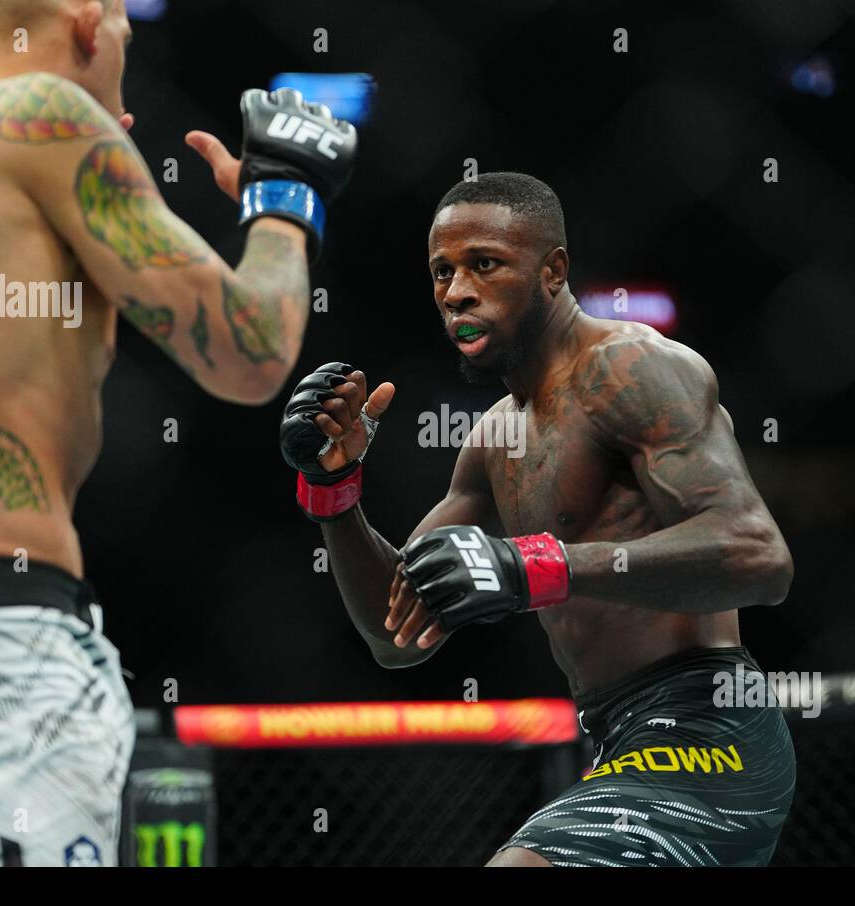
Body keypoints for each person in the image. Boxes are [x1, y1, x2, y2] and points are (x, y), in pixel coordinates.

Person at [0, 0, 356, 865]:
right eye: (125, 41)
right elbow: (251, 351)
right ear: (85, 19)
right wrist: (287, 201)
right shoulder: (49, 118)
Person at [279, 172, 796, 866]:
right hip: (617, 737)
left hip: (708, 732)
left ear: (553, 270)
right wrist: (335, 492)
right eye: (441, 271)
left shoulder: (632, 368)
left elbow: (759, 556)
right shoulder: (495, 439)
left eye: (483, 263)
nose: (456, 291)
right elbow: (397, 634)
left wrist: (535, 566)